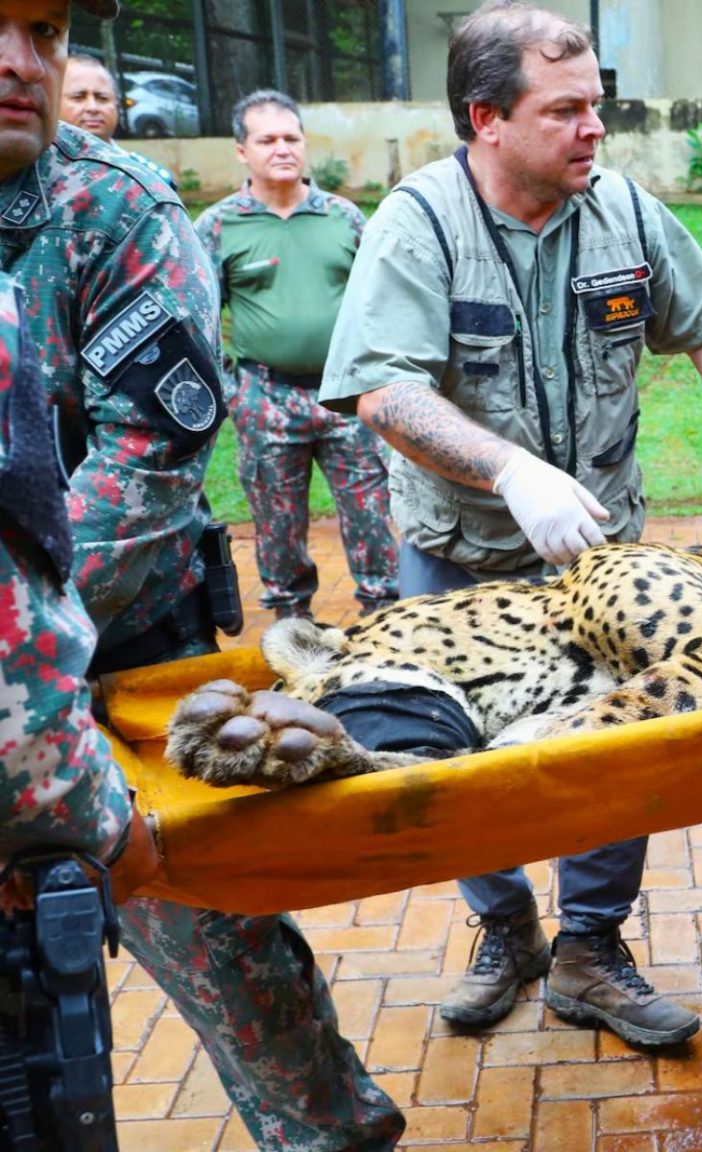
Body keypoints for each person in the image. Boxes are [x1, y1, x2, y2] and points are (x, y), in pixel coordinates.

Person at [319, 0, 702, 1047]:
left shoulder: (624, 212)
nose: (596, 129)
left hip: (604, 560)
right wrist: (510, 472)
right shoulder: (421, 221)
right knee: (461, 767)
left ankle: (591, 950)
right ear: (486, 118)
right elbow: (383, 393)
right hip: (459, 566)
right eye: (567, 111)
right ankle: (506, 931)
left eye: (600, 106)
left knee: (613, 757)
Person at [0, 1, 404, 1146]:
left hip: (135, 675)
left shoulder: (111, 207)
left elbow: (152, 459)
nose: (21, 62)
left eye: (45, 28)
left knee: (229, 949)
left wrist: (24, 658)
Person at [196, 90, 398, 621]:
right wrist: (230, 392)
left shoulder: (345, 218)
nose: (282, 149)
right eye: (267, 140)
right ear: (243, 151)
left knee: (372, 518)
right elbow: (195, 317)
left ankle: (383, 626)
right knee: (277, 528)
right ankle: (292, 627)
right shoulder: (220, 225)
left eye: (292, 138)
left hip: (347, 399)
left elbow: (381, 304)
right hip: (266, 397)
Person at [0, 268, 159, 895]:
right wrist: (96, 828)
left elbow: (155, 439)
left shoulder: (119, 203)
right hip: (46, 782)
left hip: (131, 641)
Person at [58, 53, 177, 186]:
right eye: (78, 97)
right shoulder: (37, 173)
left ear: (116, 104)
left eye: (102, 98)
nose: (93, 107)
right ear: (53, 103)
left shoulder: (149, 178)